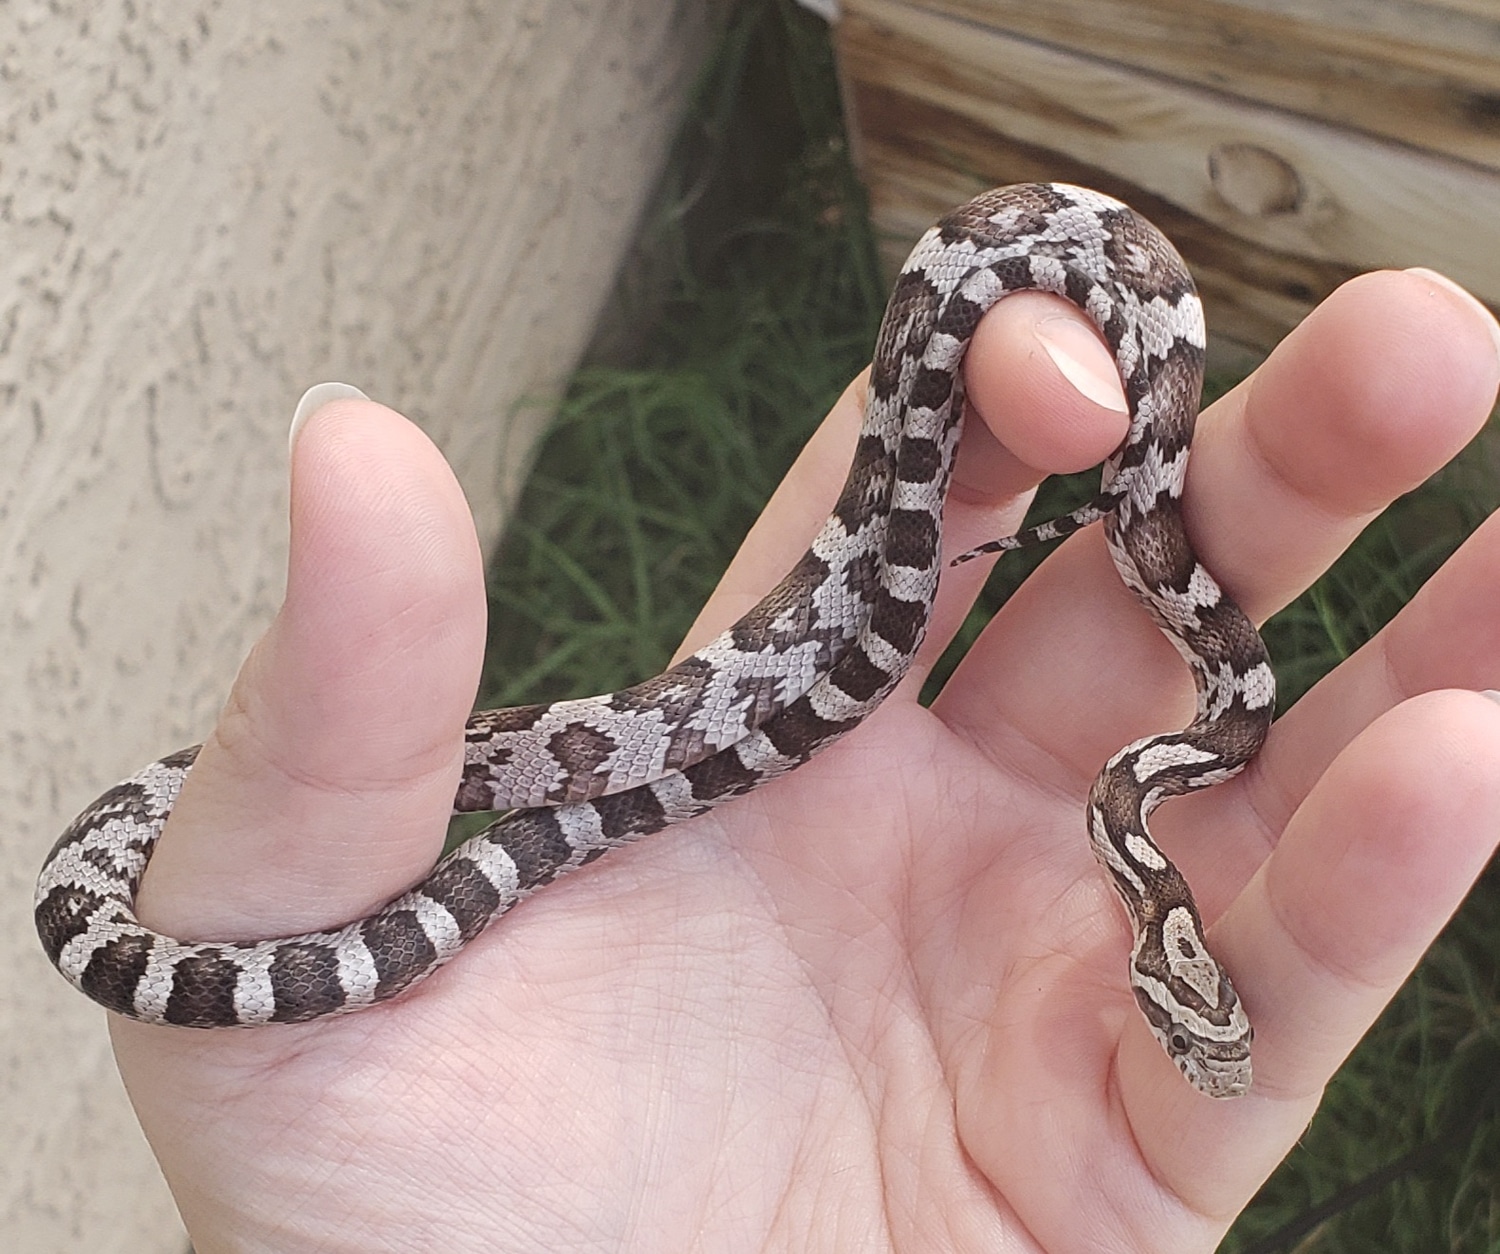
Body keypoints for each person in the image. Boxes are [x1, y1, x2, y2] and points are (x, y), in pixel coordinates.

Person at [108, 271, 1500, 1251]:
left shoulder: (1190, 753)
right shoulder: (1159, 782)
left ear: (1158, 951)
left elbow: (1223, 698)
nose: (1203, 1050)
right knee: (986, 455)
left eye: (1190, 1029)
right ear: (1161, 939)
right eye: (1207, 1022)